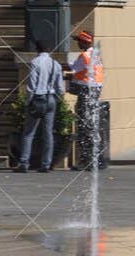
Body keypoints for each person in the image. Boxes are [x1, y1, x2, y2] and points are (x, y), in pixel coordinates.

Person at [15, 40, 64, 173]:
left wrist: (28, 101)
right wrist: (58, 99)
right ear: (49, 50)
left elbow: (31, 85)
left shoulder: (35, 62)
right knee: (48, 133)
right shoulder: (56, 64)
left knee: (29, 133)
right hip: (51, 98)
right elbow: (60, 88)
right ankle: (46, 164)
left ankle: (24, 163)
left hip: (37, 98)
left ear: (37, 49)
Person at [66, 30, 105, 171]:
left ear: (85, 42)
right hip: (95, 93)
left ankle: (87, 160)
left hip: (86, 93)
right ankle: (98, 159)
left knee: (84, 126)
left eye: (79, 42)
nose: (77, 44)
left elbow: (73, 68)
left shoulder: (84, 56)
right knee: (93, 125)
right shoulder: (97, 54)